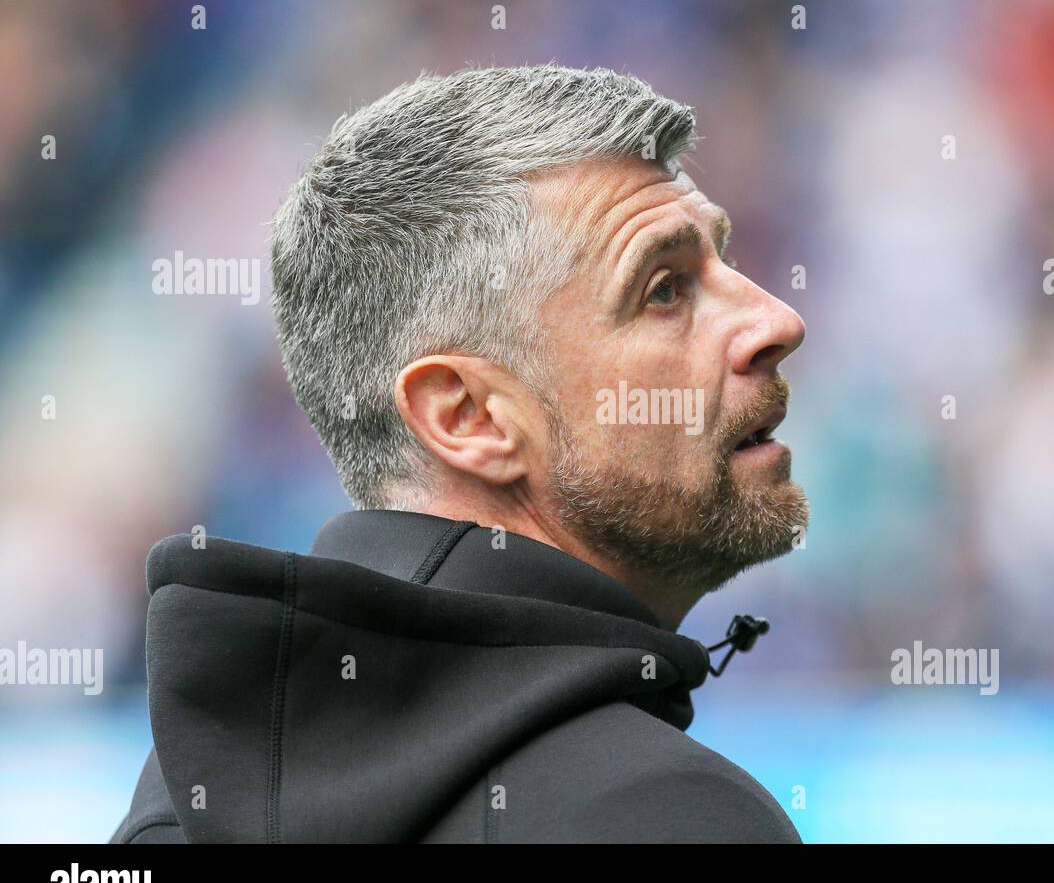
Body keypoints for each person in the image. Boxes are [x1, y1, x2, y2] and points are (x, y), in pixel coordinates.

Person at [111, 65, 808, 843]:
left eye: (726, 259)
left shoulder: (177, 814)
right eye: (665, 289)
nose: (775, 319)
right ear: (468, 415)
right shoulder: (665, 813)